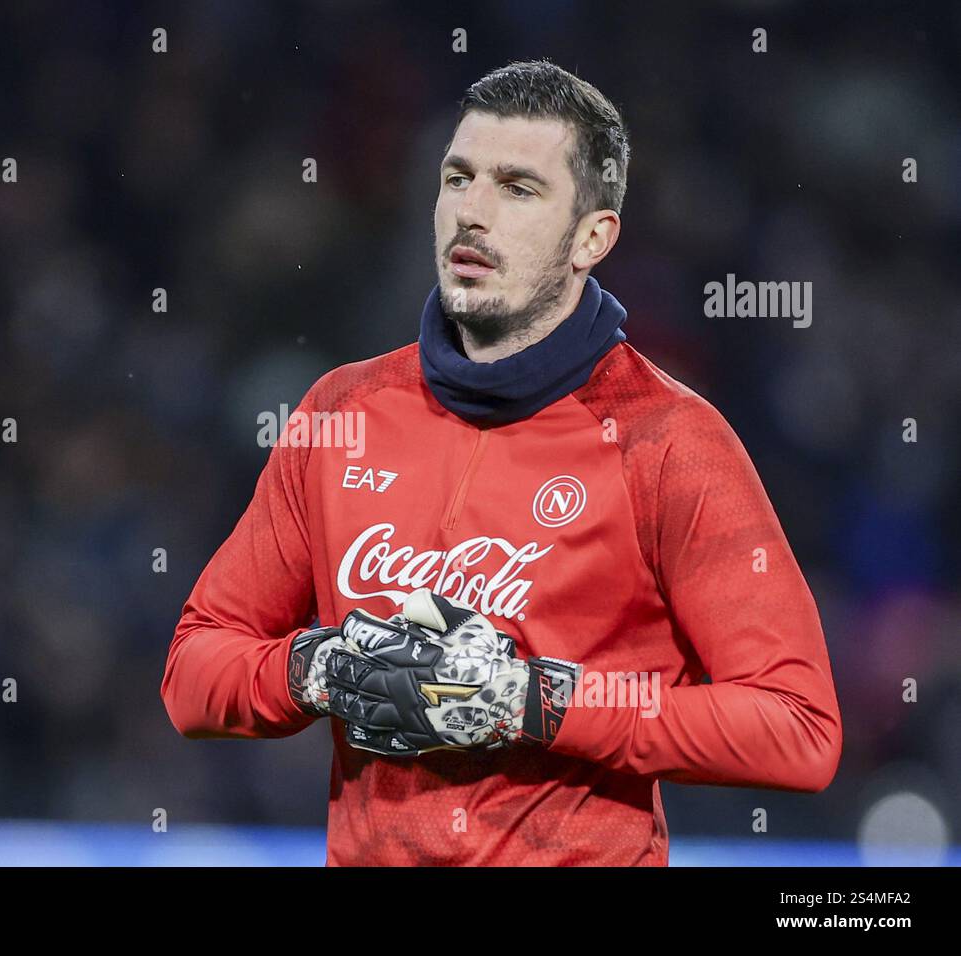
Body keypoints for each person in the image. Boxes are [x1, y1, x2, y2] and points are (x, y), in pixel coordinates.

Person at [161, 59, 841, 866]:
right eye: (458, 178)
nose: (471, 213)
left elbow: (798, 730)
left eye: (518, 188)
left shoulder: (670, 441)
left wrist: (532, 701)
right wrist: (317, 670)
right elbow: (193, 672)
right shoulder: (341, 412)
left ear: (593, 237)